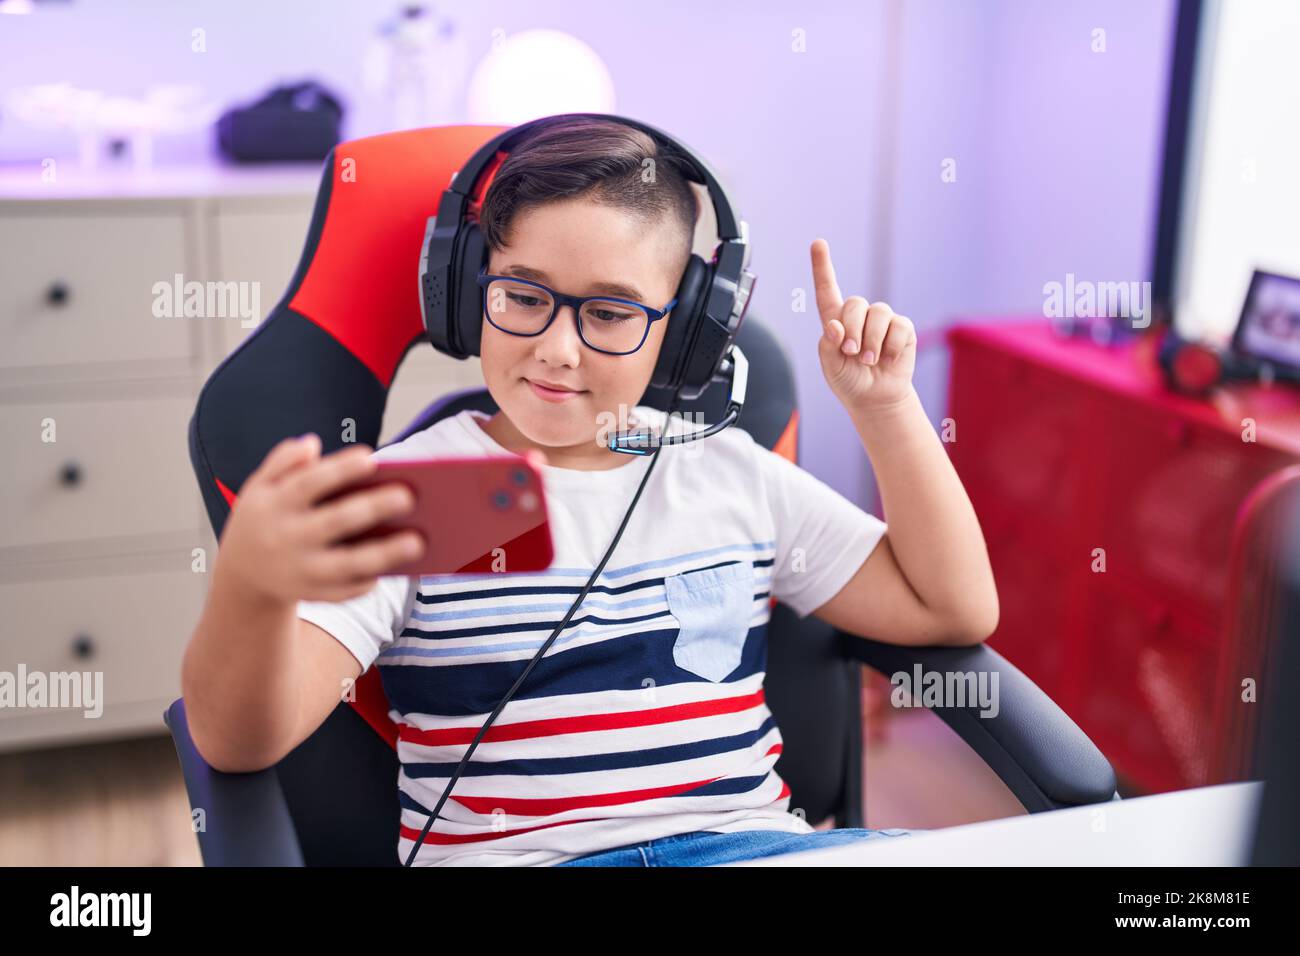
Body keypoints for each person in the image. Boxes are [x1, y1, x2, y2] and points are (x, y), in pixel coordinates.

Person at [180, 116, 998, 866]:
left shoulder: (732, 476)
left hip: (751, 848)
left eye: (610, 313)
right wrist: (251, 589)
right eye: (524, 297)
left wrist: (887, 410)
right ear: (472, 294)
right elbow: (237, 743)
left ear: (683, 333)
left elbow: (953, 608)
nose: (557, 349)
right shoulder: (419, 497)